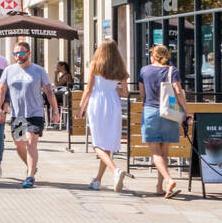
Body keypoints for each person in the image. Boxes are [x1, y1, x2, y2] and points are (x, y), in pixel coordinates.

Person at [0, 40, 60, 188]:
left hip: (35, 114)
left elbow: (49, 91)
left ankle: (30, 176)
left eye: (22, 52)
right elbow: (1, 90)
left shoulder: (39, 70)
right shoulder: (9, 70)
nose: (18, 55)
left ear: (29, 53)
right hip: (18, 115)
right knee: (19, 145)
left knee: (31, 143)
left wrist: (55, 110)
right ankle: (32, 165)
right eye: (16, 53)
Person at [79, 39, 131, 192]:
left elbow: (88, 89)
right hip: (113, 104)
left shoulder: (95, 66)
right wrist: (113, 89)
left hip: (97, 103)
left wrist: (80, 109)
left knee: (97, 144)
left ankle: (115, 171)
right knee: (107, 143)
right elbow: (125, 93)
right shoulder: (121, 68)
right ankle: (98, 180)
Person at [139, 44, 191, 198]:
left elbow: (142, 94)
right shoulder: (172, 70)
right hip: (170, 112)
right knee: (165, 152)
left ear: (153, 56)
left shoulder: (144, 70)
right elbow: (179, 92)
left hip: (150, 111)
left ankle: (168, 180)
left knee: (155, 152)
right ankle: (160, 187)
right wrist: (186, 113)